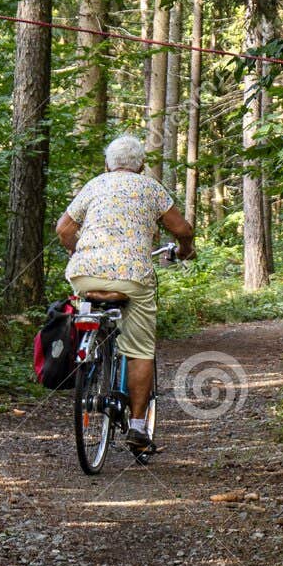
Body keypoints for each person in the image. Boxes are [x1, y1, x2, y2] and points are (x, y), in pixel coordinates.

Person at [55, 133, 195, 453]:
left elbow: (64, 229)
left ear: (107, 163)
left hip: (85, 275)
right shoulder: (150, 187)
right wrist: (185, 250)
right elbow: (183, 230)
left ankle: (88, 361)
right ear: (142, 165)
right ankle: (137, 427)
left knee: (87, 313)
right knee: (140, 349)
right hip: (131, 278)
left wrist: (80, 253)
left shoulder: (94, 185)